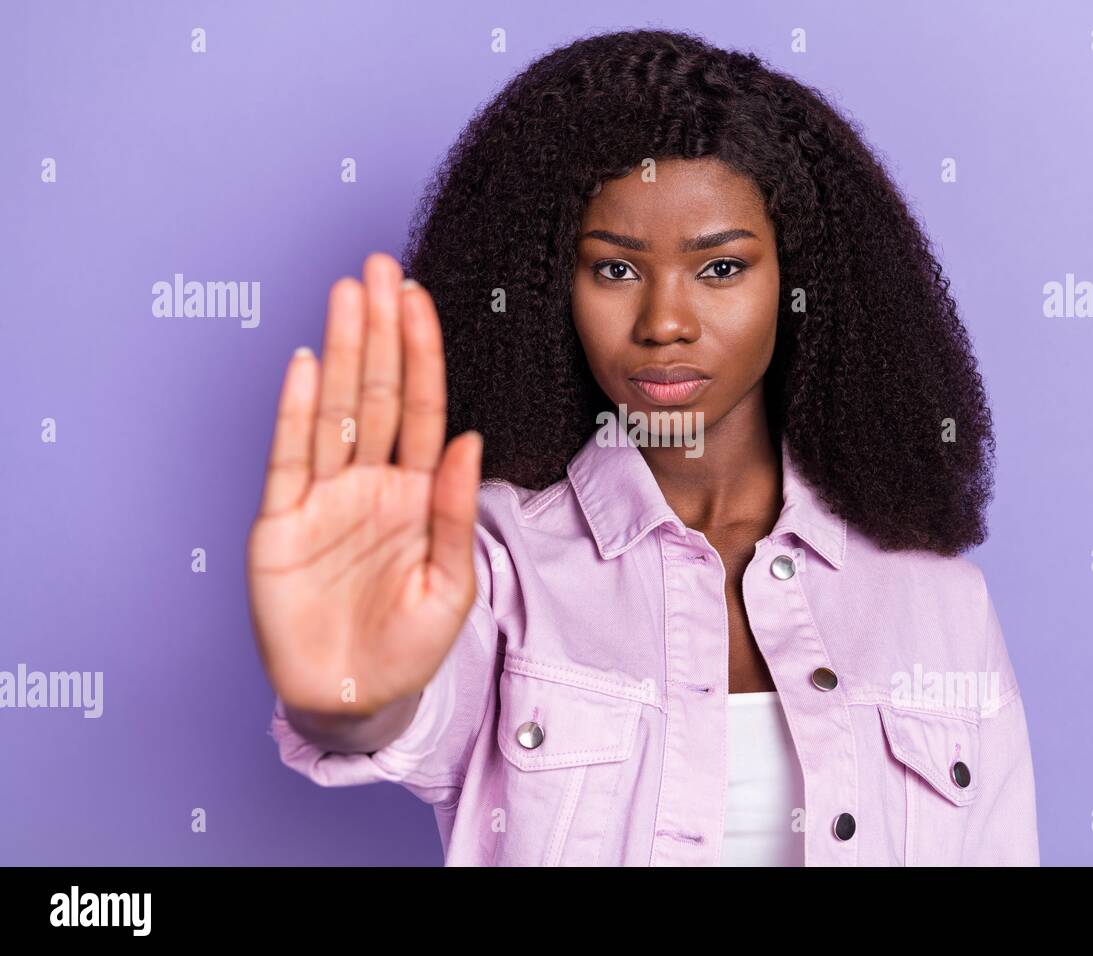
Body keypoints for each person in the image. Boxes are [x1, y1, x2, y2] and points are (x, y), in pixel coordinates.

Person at [246, 28, 1039, 866]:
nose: (665, 322)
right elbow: (395, 711)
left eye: (721, 269)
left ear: (800, 286)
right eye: (615, 271)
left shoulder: (940, 603)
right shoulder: (490, 565)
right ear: (555, 284)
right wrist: (344, 697)